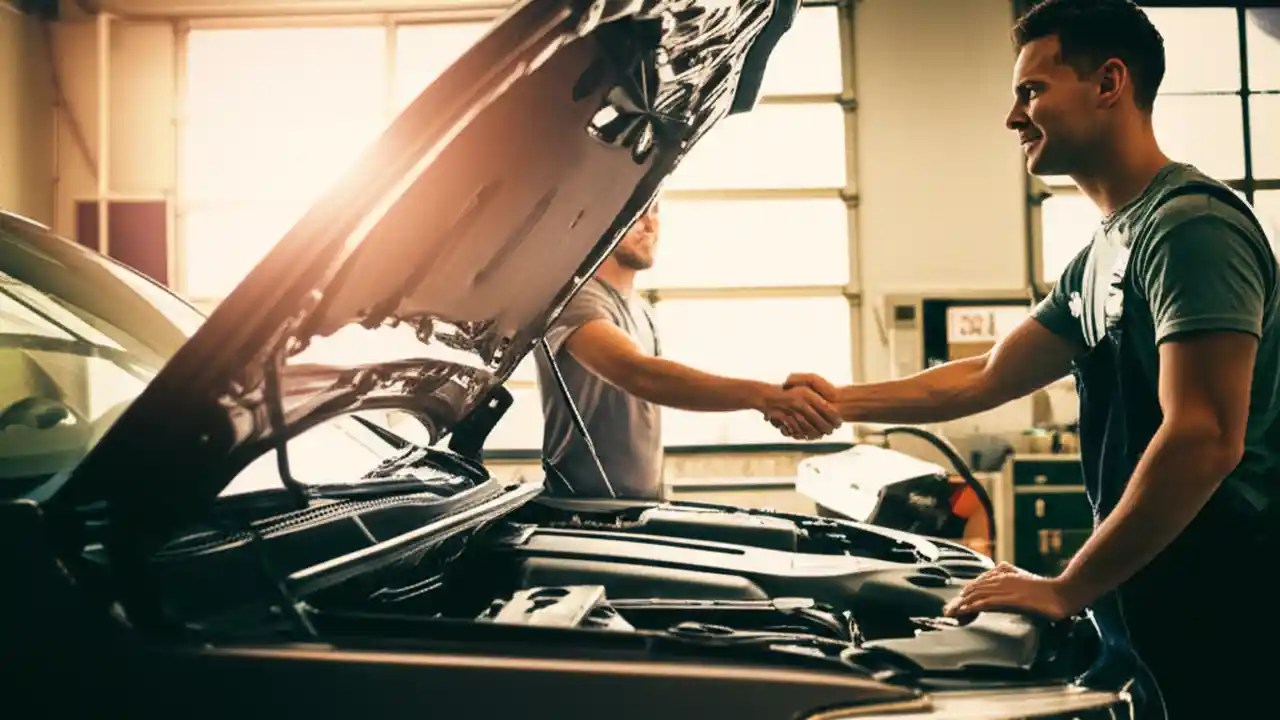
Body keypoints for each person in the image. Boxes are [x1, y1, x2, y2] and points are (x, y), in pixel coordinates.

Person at [785, 1, 1277, 716]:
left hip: (1226, 600)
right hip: (1149, 592)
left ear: (1109, 82)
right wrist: (835, 400)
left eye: (1032, 91)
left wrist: (1066, 586)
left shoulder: (1190, 229)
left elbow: (1204, 435)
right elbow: (983, 377)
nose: (1013, 117)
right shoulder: (1106, 252)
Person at [534, 201, 841, 500]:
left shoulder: (641, 309)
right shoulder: (573, 299)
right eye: (636, 211)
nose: (650, 224)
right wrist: (764, 397)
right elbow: (636, 373)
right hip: (579, 510)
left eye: (654, 210)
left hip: (640, 504)